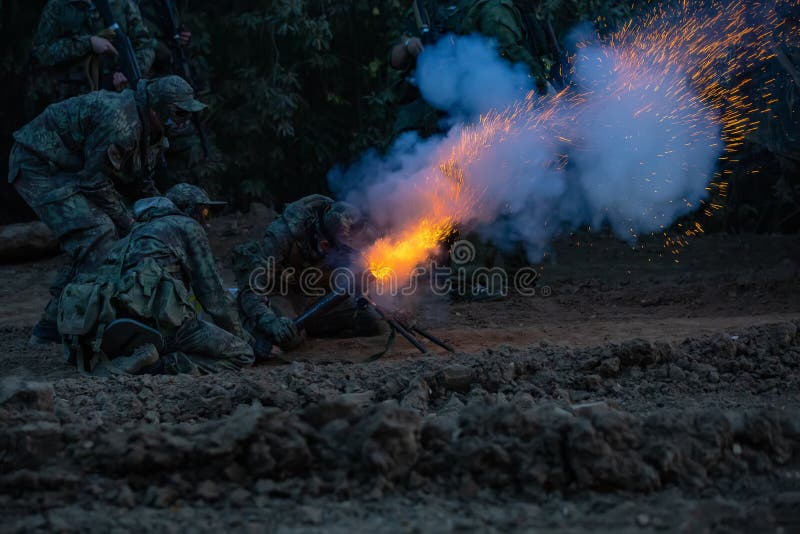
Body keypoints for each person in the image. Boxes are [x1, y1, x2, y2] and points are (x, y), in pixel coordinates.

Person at [8, 75, 206, 344]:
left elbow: (141, 182)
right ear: (155, 108)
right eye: (179, 112)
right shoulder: (121, 124)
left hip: (72, 169)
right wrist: (129, 222)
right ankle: (59, 326)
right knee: (99, 232)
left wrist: (162, 214)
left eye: (187, 113)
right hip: (40, 164)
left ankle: (55, 320)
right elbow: (94, 182)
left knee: (103, 234)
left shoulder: (154, 132)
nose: (184, 120)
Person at [57, 184, 254, 376]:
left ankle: (133, 358)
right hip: (161, 325)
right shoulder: (186, 225)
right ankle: (157, 366)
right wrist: (243, 337)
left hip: (114, 326)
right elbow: (214, 296)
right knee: (242, 354)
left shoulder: (131, 236)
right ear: (187, 208)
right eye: (205, 213)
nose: (208, 222)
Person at [230, 195, 386, 356]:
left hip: (314, 295)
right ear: (324, 243)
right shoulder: (281, 236)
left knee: (370, 321)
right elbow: (252, 289)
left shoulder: (350, 233)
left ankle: (306, 325)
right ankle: (263, 328)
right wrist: (270, 322)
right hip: (281, 293)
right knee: (286, 336)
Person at [389, 0, 551, 136]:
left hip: (469, 103)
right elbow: (396, 60)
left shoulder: (480, 7)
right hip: (425, 108)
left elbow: (505, 48)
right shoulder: (423, 10)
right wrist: (408, 44)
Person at [26, 0, 156, 116]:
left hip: (117, 100)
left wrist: (127, 74)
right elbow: (41, 53)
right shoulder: (58, 6)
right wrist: (88, 43)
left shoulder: (123, 4)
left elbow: (146, 46)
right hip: (70, 104)